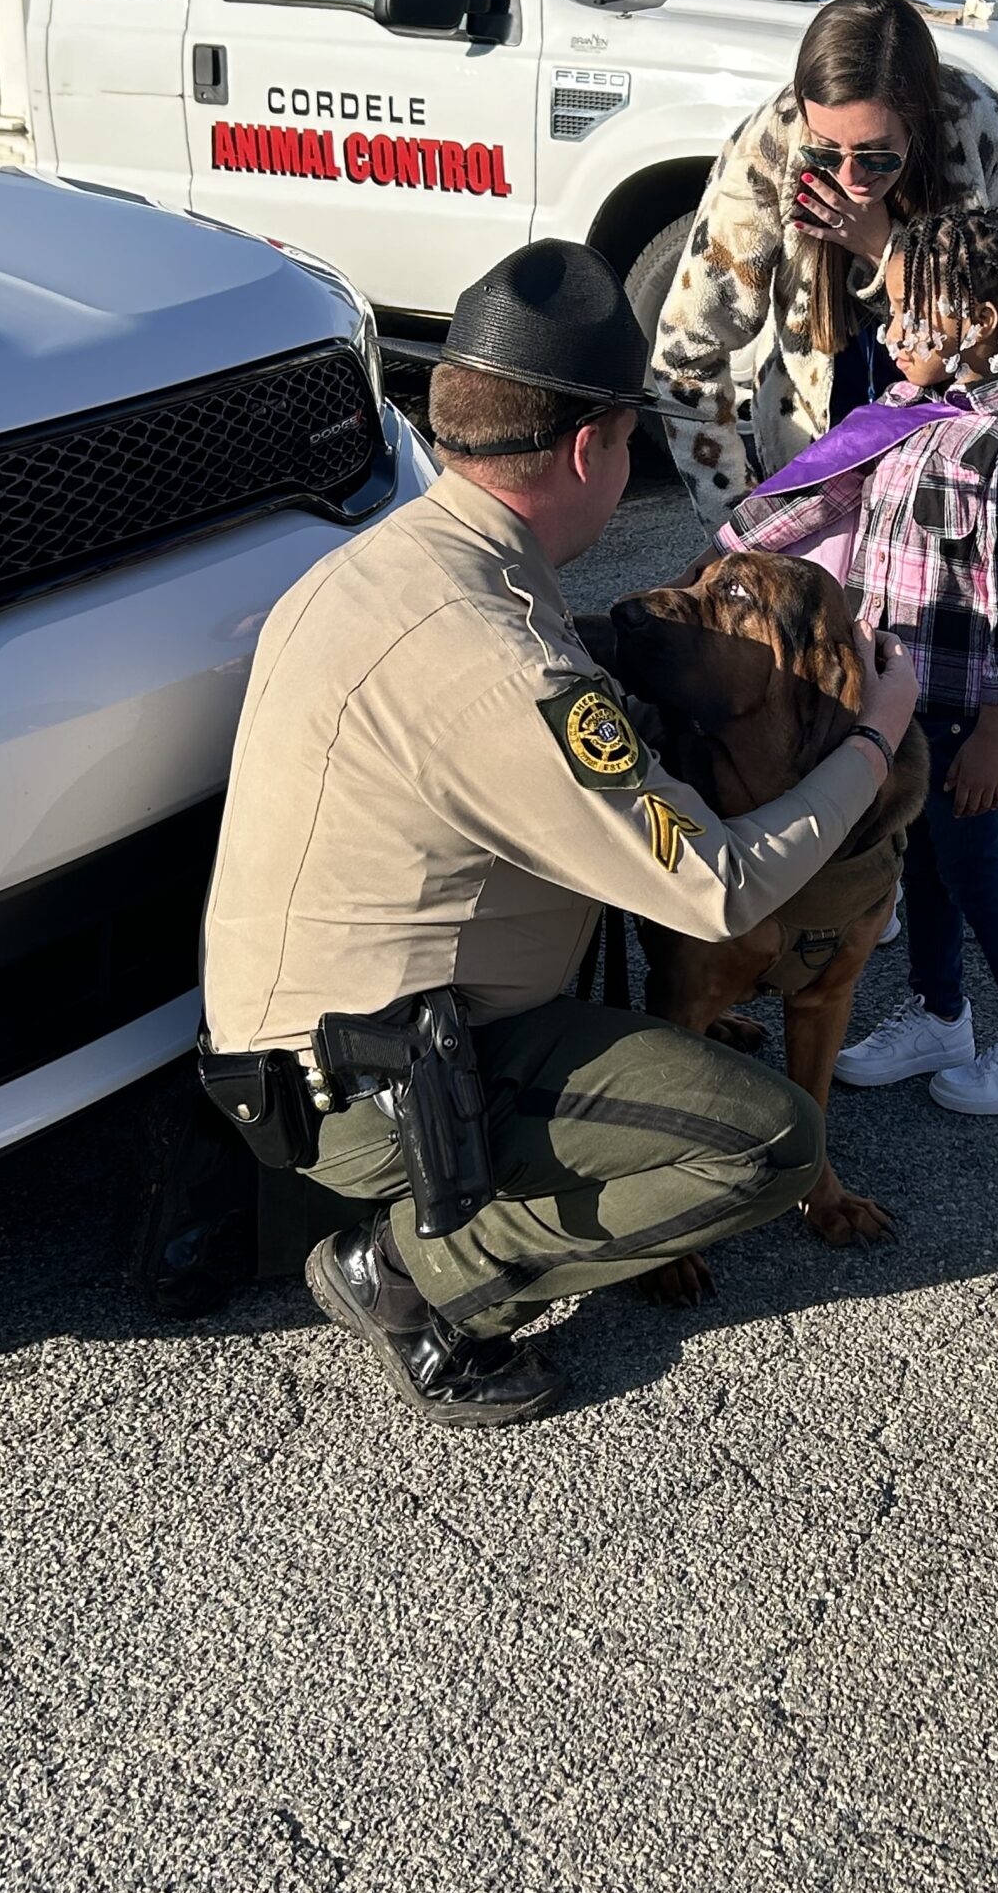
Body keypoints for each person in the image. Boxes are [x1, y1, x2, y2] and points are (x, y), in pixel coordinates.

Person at [199, 240, 918, 1428]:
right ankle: (420, 1278)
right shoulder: (504, 659)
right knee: (769, 1144)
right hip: (378, 1099)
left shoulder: (385, 562)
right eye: (632, 443)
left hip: (303, 1047)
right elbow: (720, 889)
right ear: (591, 449)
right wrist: (874, 742)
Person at [651, 0, 998, 942]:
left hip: (962, 451)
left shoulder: (988, 132)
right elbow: (685, 353)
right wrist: (738, 521)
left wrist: (882, 248)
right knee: (840, 665)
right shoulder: (770, 150)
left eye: (877, 156)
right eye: (828, 152)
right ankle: (869, 862)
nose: (847, 176)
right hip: (828, 447)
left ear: (922, 122)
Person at [720, 207, 998, 1117]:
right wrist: (723, 558)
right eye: (889, 311)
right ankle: (939, 1013)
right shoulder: (905, 421)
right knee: (919, 859)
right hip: (902, 695)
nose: (889, 333)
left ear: (981, 324)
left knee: (974, 872)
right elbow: (812, 497)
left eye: (910, 313)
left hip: (963, 713)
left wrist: (995, 739)